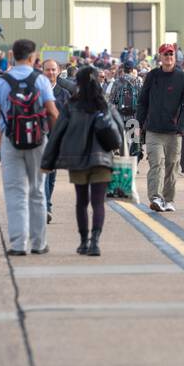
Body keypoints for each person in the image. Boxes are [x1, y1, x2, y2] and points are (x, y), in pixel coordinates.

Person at [0, 39, 59, 256]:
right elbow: (52, 113)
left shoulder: (2, 82)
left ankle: (17, 244)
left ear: (12, 56)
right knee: (37, 191)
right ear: (33, 57)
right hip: (38, 140)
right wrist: (56, 142)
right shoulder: (41, 80)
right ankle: (39, 243)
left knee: (15, 192)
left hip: (10, 141)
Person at [42, 66, 124, 257]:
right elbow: (120, 131)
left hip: (77, 161)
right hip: (102, 160)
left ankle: (83, 241)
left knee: (81, 202)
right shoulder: (105, 104)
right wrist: (124, 158)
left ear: (77, 84)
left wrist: (48, 161)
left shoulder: (72, 105)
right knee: (98, 203)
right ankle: (95, 242)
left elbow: (57, 133)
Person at [137, 43, 184, 213]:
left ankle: (168, 200)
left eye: (171, 54)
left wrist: (181, 127)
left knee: (172, 166)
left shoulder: (182, 77)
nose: (168, 57)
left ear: (175, 57)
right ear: (160, 57)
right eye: (165, 54)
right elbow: (142, 102)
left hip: (174, 132)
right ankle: (155, 197)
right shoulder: (152, 76)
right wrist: (139, 124)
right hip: (154, 130)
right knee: (156, 164)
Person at [42, 58, 72, 224]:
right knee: (45, 174)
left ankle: (46, 202)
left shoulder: (65, 93)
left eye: (53, 70)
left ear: (59, 71)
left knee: (52, 177)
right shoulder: (37, 91)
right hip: (41, 139)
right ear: (43, 71)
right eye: (48, 70)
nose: (51, 72)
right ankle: (46, 207)